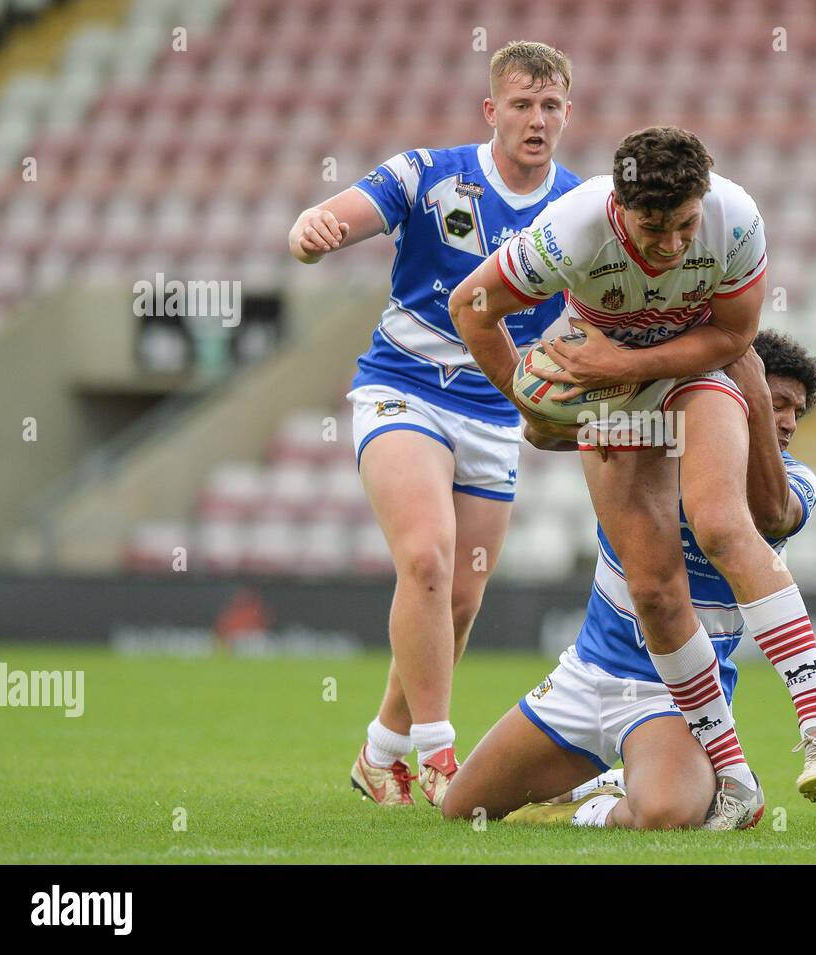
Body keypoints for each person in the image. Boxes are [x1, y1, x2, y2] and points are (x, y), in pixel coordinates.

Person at [450, 127, 816, 829]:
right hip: (607, 403)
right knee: (652, 588)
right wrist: (527, 398)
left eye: (684, 225)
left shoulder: (736, 218)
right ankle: (732, 771)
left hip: (692, 378)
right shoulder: (570, 231)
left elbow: (734, 339)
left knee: (719, 522)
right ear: (619, 207)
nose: (672, 245)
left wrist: (620, 366)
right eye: (653, 227)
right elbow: (471, 304)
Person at [287, 41, 582, 807]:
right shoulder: (426, 172)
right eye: (522, 104)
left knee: (455, 601)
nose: (537, 120)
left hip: (495, 409)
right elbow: (337, 216)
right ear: (492, 111)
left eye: (551, 106)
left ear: (567, 115)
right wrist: (312, 228)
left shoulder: (583, 209)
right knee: (425, 558)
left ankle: (379, 749)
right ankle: (438, 751)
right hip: (404, 390)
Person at [440, 331, 816, 828]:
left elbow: (772, 515)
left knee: (664, 813)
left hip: (676, 697)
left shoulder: (796, 480)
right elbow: (541, 433)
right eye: (780, 402)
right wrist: (574, 390)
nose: (790, 422)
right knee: (463, 809)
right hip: (586, 674)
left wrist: (754, 392)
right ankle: (606, 783)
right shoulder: (653, 439)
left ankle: (593, 807)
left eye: (799, 411)